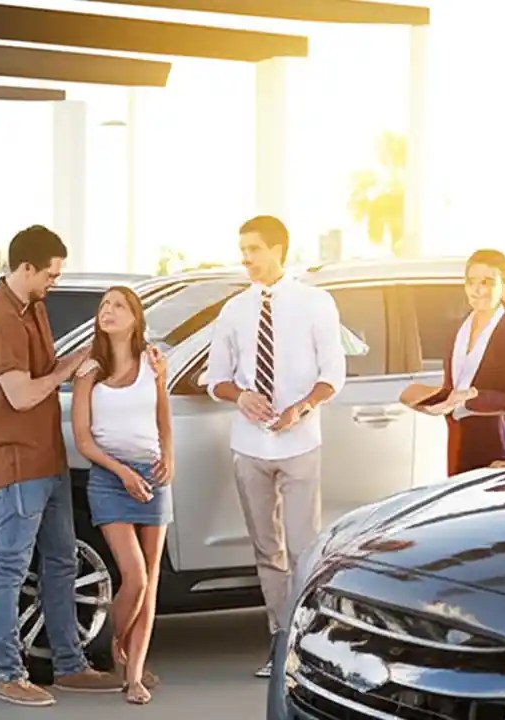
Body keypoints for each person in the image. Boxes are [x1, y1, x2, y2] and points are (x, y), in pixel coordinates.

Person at [0, 224, 121, 707]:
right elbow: (20, 394)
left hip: (48, 456)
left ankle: (70, 665)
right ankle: (9, 673)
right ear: (26, 267)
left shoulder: (33, 306)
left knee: (61, 560)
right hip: (17, 460)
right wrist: (66, 367)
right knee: (10, 566)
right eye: (51, 275)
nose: (54, 282)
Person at [204, 215, 347, 678]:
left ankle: (310, 644)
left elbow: (333, 375)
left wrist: (300, 409)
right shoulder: (234, 310)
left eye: (254, 249)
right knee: (267, 551)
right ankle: (280, 639)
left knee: (304, 547)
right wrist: (239, 396)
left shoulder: (315, 303)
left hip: (300, 442)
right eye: (242, 249)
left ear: (279, 250)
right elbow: (216, 378)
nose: (245, 258)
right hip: (249, 447)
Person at [70, 286, 173, 705]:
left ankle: (133, 676)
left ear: (135, 317)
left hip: (154, 477)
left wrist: (170, 458)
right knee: (135, 575)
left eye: (117, 306)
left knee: (152, 583)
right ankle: (114, 644)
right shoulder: (89, 369)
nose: (107, 312)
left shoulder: (153, 362)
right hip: (111, 478)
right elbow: (83, 440)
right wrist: (123, 473)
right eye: (103, 306)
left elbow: (163, 416)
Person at [399, 249, 505, 475]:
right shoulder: (457, 329)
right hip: (458, 440)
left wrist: (469, 399)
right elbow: (452, 390)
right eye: (471, 282)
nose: (477, 290)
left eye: (487, 282)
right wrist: (422, 399)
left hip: (496, 445)